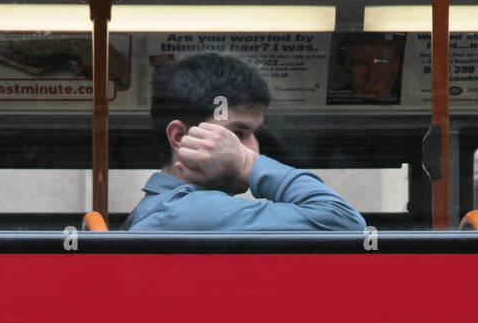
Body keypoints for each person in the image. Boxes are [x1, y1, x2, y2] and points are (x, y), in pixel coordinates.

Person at [121, 52, 364, 232]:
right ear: (179, 137)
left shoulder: (165, 210)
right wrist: (248, 166)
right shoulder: (183, 211)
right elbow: (343, 221)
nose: (253, 149)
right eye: (237, 134)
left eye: (255, 134)